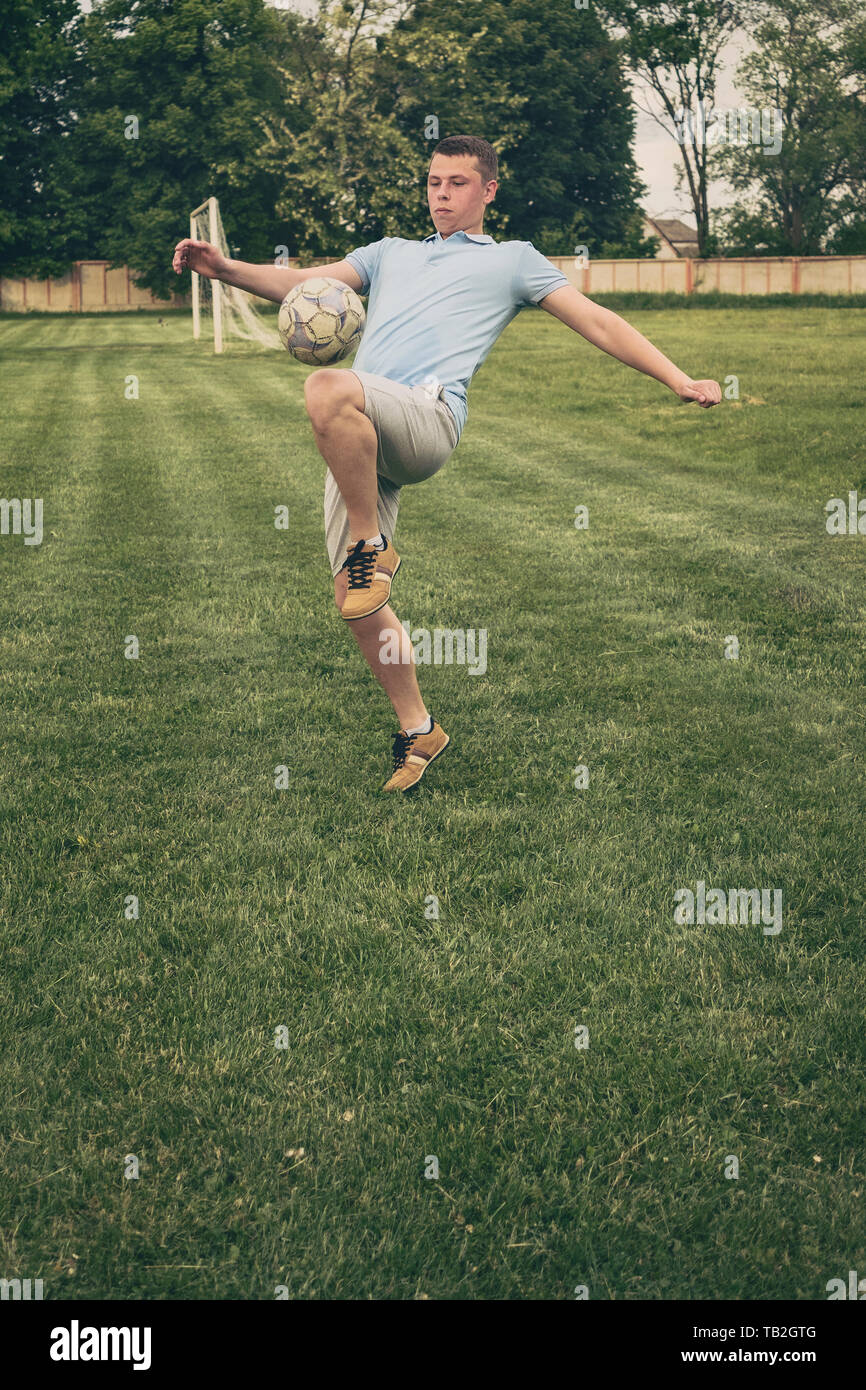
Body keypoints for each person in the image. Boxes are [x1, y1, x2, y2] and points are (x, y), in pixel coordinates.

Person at [172, 134, 721, 793]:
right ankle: (418, 727)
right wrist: (224, 267)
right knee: (355, 598)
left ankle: (370, 540)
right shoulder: (389, 255)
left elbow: (597, 321)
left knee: (325, 388)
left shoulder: (514, 262)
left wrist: (678, 378)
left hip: (426, 418)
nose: (441, 195)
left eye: (457, 183)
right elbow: (302, 286)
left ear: (489, 190)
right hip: (361, 427)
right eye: (433, 182)